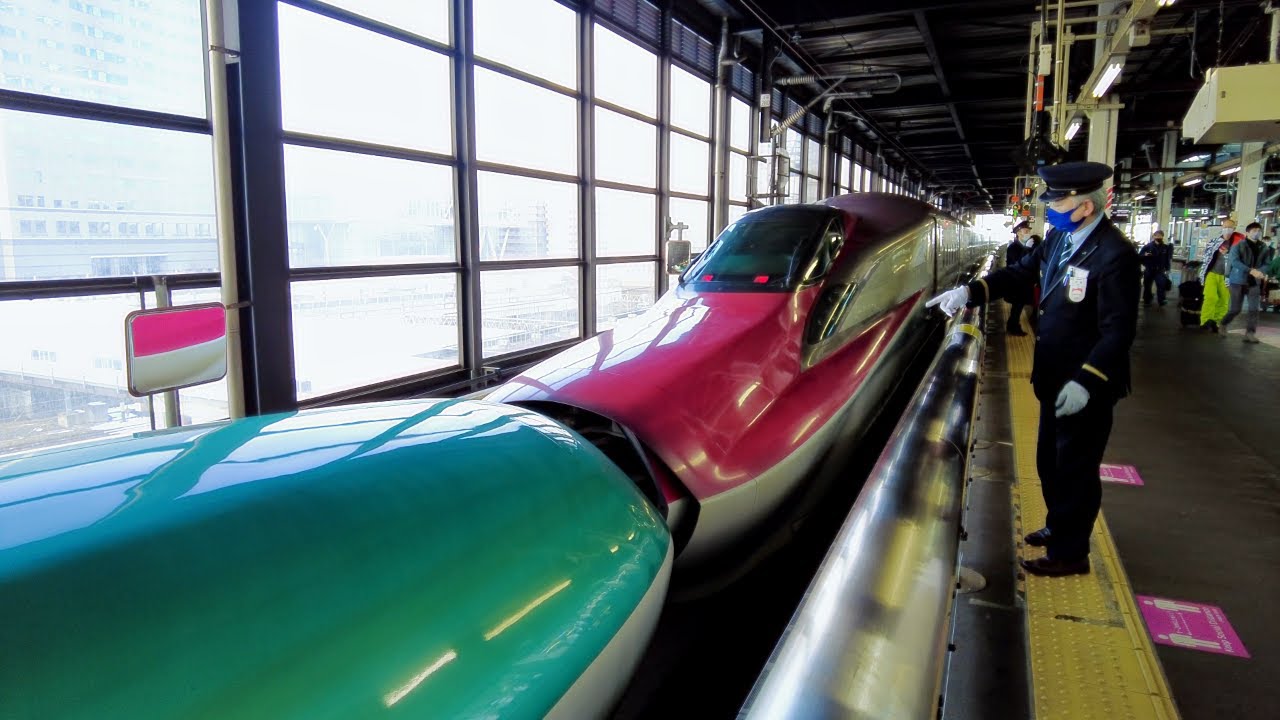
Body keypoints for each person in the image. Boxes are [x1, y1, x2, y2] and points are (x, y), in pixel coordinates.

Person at [926, 161, 1139, 577]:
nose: (1052, 208)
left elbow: (1118, 332)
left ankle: (1070, 554)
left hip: (1085, 387)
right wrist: (970, 290)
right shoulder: (1062, 239)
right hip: (1053, 377)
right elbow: (1018, 273)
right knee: (1050, 462)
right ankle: (1059, 526)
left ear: (1086, 207)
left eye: (1059, 200)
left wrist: (1086, 380)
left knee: (1076, 469)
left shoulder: (1116, 255)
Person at [1220, 222, 1274, 343]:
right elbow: (1234, 262)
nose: (1257, 233)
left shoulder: (1264, 247)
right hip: (1238, 281)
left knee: (1254, 309)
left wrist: (1260, 271)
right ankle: (1223, 324)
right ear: (1247, 233)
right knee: (1235, 309)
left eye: (1259, 230)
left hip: (1254, 282)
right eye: (1254, 230)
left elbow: (1267, 263)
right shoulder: (1238, 246)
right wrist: (1250, 271)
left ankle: (1250, 333)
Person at [1198, 231, 1231, 333]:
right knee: (1210, 297)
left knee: (1224, 300)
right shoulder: (1214, 242)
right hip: (1212, 274)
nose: (1228, 229)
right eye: (1226, 227)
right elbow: (1206, 257)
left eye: (1230, 227)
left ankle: (1217, 322)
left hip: (1227, 277)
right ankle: (1206, 321)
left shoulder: (1237, 244)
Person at [1006, 221, 1035, 335]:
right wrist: (1027, 249)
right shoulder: (1013, 247)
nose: (1028, 233)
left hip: (1024, 282)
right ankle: (1013, 327)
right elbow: (1018, 263)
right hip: (1016, 281)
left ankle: (1013, 326)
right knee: (1017, 307)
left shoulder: (1024, 245)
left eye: (1028, 231)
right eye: (1026, 231)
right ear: (1019, 233)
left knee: (1019, 305)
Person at [1138, 229, 1173, 307]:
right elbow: (1139, 256)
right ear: (1154, 236)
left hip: (1160, 270)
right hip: (1149, 269)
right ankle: (1147, 300)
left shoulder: (1165, 247)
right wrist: (1145, 255)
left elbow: (1167, 259)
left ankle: (1161, 300)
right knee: (1147, 285)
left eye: (1160, 236)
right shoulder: (1147, 246)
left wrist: (1168, 269)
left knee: (1161, 285)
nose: (1159, 237)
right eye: (1157, 236)